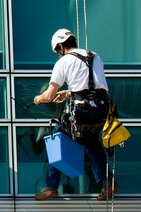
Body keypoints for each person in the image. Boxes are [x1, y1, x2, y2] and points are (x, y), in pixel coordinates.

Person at [33, 28, 115, 201]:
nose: (58, 54)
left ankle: (51, 186)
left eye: (57, 51)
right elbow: (92, 86)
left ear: (61, 46)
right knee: (91, 142)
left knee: (57, 136)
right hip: (102, 108)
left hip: (82, 110)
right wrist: (68, 93)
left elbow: (48, 95)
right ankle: (108, 183)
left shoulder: (63, 62)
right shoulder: (94, 56)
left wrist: (38, 98)